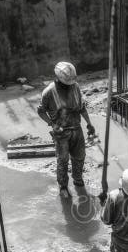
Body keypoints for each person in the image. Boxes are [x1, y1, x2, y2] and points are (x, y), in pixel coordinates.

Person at [37, 61, 97, 198]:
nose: (68, 86)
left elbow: (82, 107)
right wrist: (51, 124)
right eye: (65, 83)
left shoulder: (75, 87)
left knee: (80, 156)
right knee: (63, 160)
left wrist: (89, 123)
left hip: (77, 129)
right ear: (57, 78)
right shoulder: (48, 92)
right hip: (61, 133)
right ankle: (63, 186)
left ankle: (77, 178)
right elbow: (40, 111)